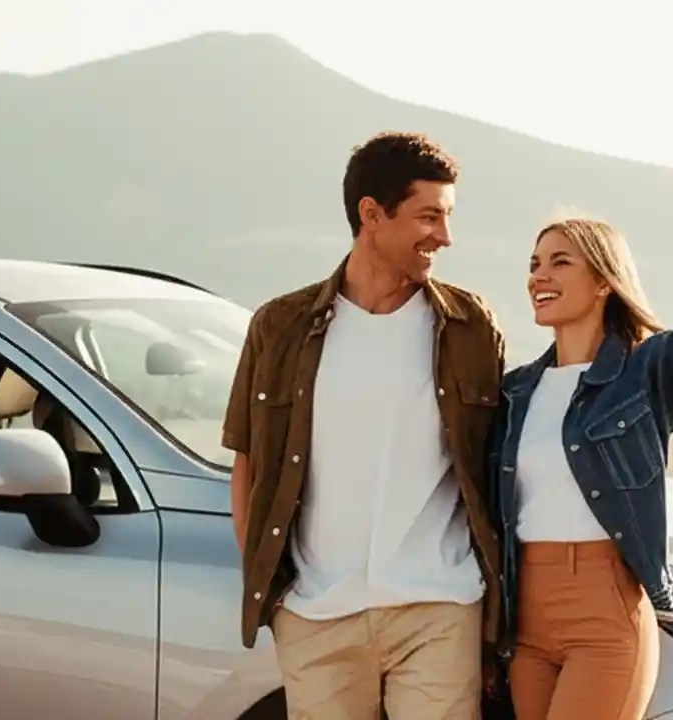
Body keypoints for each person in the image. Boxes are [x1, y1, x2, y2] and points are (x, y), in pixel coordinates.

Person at [221, 130, 506, 719]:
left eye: (447, 217)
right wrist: (280, 600)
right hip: (316, 613)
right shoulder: (280, 326)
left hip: (439, 605)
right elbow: (248, 462)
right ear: (371, 214)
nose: (444, 237)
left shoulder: (469, 327)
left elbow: (496, 463)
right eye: (429, 217)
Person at [488, 131, 673, 720]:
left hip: (604, 613)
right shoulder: (514, 392)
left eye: (560, 261)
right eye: (534, 264)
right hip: (523, 617)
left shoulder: (642, 375)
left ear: (602, 282)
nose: (539, 275)